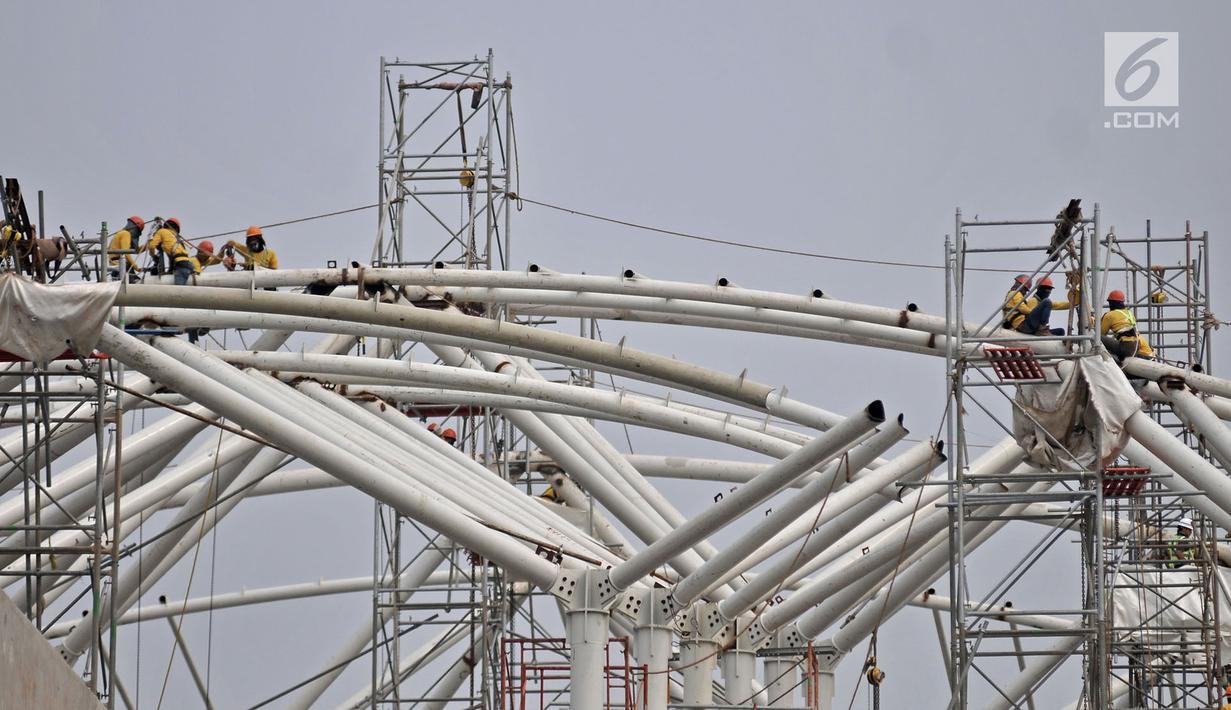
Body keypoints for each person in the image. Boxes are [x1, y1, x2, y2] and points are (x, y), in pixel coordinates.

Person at [1101, 290, 1155, 361]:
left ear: (1111, 303)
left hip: (1125, 348)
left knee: (1097, 337)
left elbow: (1101, 333)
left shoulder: (1109, 315)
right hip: (1136, 346)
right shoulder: (1129, 313)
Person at [146, 217, 195, 284]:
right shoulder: (177, 238)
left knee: (178, 292)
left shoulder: (162, 231)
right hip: (188, 264)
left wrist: (153, 256)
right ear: (177, 229)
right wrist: (170, 271)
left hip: (180, 265)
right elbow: (175, 257)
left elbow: (151, 246)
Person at [106, 216, 146, 281]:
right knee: (134, 282)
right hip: (122, 266)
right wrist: (136, 267)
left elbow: (135, 250)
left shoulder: (119, 233)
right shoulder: (126, 234)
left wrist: (146, 245)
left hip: (115, 266)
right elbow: (126, 253)